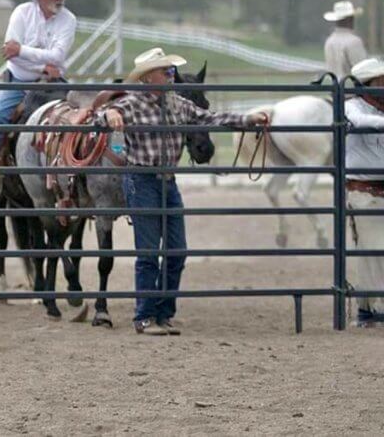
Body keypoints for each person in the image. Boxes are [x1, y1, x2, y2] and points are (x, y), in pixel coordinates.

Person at [96, 47, 268, 336]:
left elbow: (209, 117)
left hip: (167, 181)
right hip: (143, 180)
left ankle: (163, 313)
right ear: (149, 77)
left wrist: (247, 120)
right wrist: (110, 113)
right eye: (166, 70)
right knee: (149, 252)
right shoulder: (132, 104)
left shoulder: (177, 103)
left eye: (171, 70)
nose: (171, 74)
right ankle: (145, 317)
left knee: (177, 251)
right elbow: (100, 116)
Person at [0, 0, 76, 194]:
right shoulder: (21, 14)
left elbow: (58, 56)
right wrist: (42, 66)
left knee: (76, 117)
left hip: (52, 82)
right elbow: (10, 54)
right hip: (21, 81)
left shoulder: (68, 19)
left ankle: (76, 169)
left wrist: (23, 50)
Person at [344, 56, 384, 327]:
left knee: (372, 249)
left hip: (375, 190)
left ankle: (367, 309)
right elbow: (360, 122)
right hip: (363, 191)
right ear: (369, 83)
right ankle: (376, 308)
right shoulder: (350, 107)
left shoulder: (378, 109)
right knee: (375, 248)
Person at [324, 0, 368, 80]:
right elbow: (364, 72)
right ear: (350, 19)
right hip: (351, 90)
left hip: (334, 90)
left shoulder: (329, 41)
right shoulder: (354, 41)